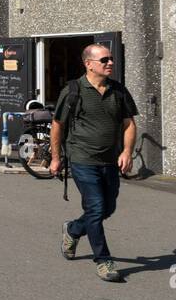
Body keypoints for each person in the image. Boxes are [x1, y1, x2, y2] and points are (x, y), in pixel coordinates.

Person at [50, 44, 138, 283]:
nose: (110, 63)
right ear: (88, 64)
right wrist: (56, 157)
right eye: (104, 60)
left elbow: (129, 124)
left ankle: (73, 230)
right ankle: (103, 260)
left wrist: (127, 152)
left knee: (107, 209)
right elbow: (57, 125)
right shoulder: (73, 91)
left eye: (111, 59)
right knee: (97, 208)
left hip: (110, 160)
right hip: (82, 158)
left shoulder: (118, 90)